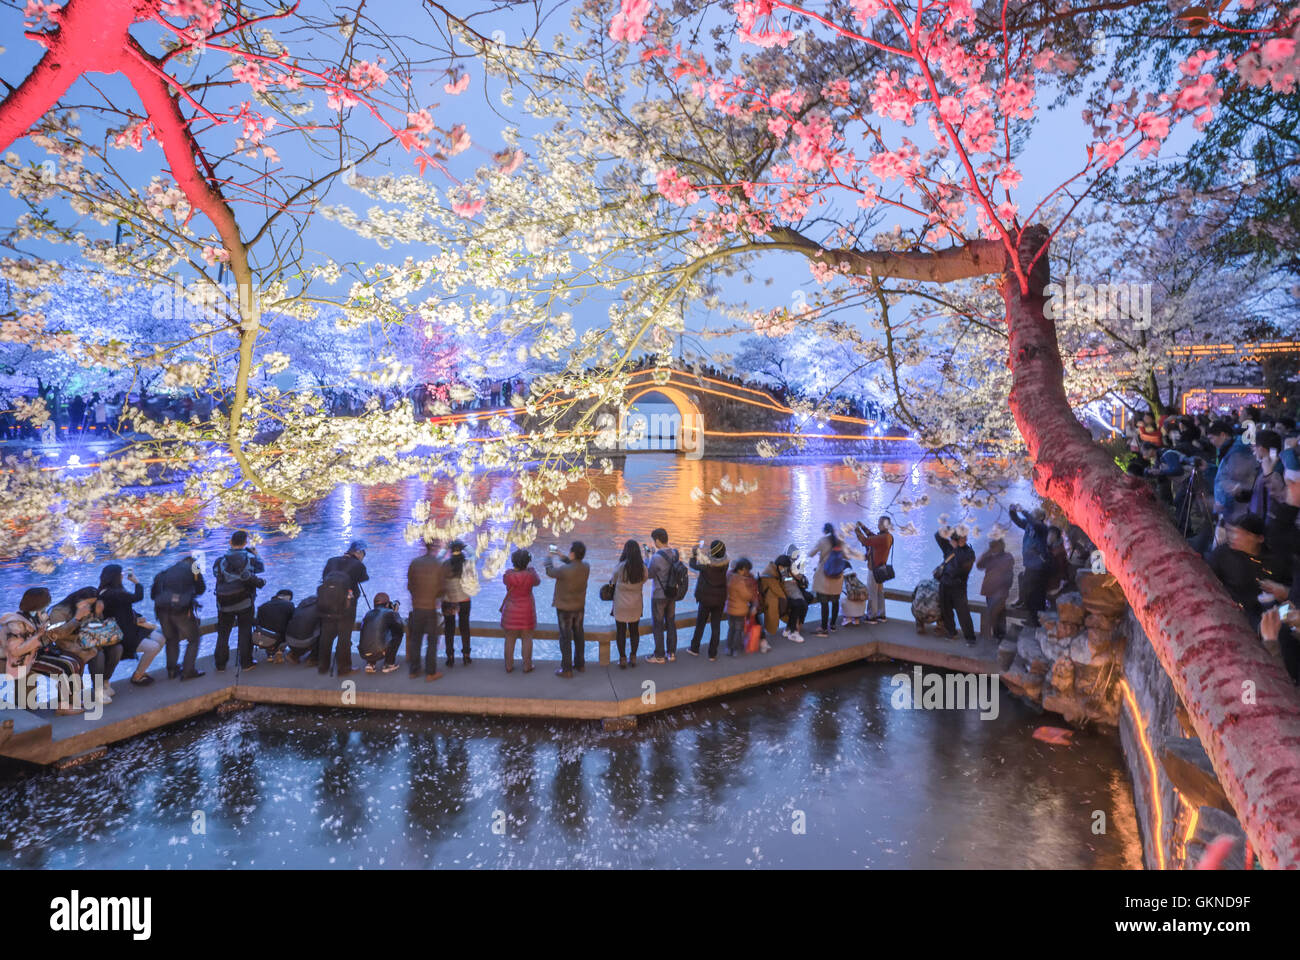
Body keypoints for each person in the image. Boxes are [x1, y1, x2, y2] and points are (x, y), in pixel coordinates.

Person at [2, 588, 89, 715]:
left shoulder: (38, 616)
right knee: (64, 668)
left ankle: (71, 699)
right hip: (24, 659)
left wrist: (47, 634)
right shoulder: (15, 622)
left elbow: (45, 638)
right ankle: (62, 706)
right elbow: (16, 651)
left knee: (76, 661)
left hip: (38, 652)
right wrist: (38, 637)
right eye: (46, 602)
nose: (48, 605)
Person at [97, 564, 163, 686]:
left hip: (131, 628)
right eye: (120, 573)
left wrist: (137, 617)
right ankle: (137, 676)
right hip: (123, 634)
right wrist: (136, 582)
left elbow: (124, 609)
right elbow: (138, 597)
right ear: (114, 576)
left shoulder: (111, 591)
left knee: (161, 638)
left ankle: (142, 671)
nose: (122, 575)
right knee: (153, 647)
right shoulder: (110, 594)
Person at [1207, 514, 1273, 629]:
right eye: (1234, 532)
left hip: (1263, 615)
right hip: (1230, 612)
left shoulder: (1271, 560)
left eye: (1244, 534)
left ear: (1260, 538)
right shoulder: (1222, 555)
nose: (1235, 537)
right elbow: (1207, 582)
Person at [213, 530, 266, 672]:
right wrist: (256, 554)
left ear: (231, 542)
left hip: (224, 602)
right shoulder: (250, 557)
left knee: (223, 633)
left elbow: (216, 575)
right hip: (245, 601)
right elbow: (261, 569)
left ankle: (220, 664)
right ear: (245, 543)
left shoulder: (220, 561)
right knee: (244, 631)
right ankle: (246, 662)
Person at [150, 551, 206, 680]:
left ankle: (172, 670)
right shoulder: (193, 568)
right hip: (180, 611)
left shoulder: (165, 572)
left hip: (161, 610)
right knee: (194, 639)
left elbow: (153, 595)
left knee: (171, 639)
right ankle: (188, 671)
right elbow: (201, 589)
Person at [320, 540, 369, 673]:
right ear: (358, 553)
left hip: (327, 602)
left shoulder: (331, 561)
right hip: (347, 605)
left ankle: (323, 666)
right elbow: (364, 578)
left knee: (327, 635)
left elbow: (324, 577)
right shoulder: (358, 565)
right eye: (363, 554)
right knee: (344, 637)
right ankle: (344, 668)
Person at [544, 540, 589, 677]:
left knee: (565, 637)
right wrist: (560, 554)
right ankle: (580, 664)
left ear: (573, 554)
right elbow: (572, 564)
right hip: (579, 606)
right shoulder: (586, 566)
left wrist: (549, 557)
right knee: (579, 635)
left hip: (564, 608)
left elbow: (550, 572)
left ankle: (567, 669)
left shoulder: (564, 570)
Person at [807, 522, 860, 637]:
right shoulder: (840, 542)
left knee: (824, 603)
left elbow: (811, 554)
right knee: (835, 601)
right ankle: (833, 625)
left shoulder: (822, 541)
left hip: (824, 577)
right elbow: (847, 557)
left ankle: (824, 628)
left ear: (825, 531)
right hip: (837, 577)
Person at [406, 539, 446, 682]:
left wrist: (415, 597)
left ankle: (414, 670)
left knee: (415, 640)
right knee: (432, 641)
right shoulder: (438, 565)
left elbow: (410, 584)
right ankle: (430, 672)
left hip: (417, 607)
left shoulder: (415, 563)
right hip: (430, 608)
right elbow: (442, 587)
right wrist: (437, 599)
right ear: (435, 548)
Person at [1208, 420, 1259, 524]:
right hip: (1231, 507)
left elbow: (1234, 481)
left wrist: (1223, 502)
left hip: (1235, 509)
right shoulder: (1230, 449)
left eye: (1211, 438)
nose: (1211, 442)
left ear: (1222, 435)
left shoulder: (1238, 451)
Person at [934, 526, 977, 645]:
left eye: (964, 537)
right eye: (961, 537)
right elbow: (937, 536)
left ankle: (970, 638)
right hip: (945, 583)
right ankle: (951, 632)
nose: (964, 538)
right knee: (946, 610)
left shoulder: (969, 552)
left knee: (963, 613)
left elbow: (963, 562)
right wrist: (948, 529)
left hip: (959, 586)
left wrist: (956, 548)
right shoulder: (948, 548)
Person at [608, 539, 647, 668]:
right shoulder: (642, 568)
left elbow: (612, 580)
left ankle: (622, 658)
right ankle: (633, 656)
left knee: (621, 631)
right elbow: (645, 579)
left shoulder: (620, 566)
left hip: (621, 604)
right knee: (634, 631)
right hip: (635, 604)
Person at [1009, 504, 1050, 626]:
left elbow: (1035, 523)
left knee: (1037, 594)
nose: (1031, 516)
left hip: (1038, 566)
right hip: (1029, 564)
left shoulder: (1042, 528)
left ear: (1041, 517)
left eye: (1034, 515)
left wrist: (1024, 511)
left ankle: (1036, 620)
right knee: (1028, 591)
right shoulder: (1029, 525)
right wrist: (1012, 512)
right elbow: (1017, 521)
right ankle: (1031, 617)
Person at [688, 539, 729, 660]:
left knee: (700, 624)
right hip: (720, 598)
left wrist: (695, 553)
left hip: (705, 598)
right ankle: (712, 654)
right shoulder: (726, 562)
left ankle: (694, 648)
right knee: (716, 626)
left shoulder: (706, 564)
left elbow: (692, 564)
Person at [501, 549, 540, 673]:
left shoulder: (508, 575)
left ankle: (508, 665)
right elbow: (538, 582)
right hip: (527, 612)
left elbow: (505, 582)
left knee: (509, 639)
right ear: (527, 562)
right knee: (527, 639)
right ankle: (527, 665)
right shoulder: (530, 576)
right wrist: (532, 570)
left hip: (510, 611)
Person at [646, 528, 681, 663]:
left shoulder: (655, 557)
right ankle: (671, 653)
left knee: (658, 625)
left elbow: (649, 574)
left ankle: (659, 655)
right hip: (672, 594)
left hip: (659, 595)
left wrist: (647, 557)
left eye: (654, 540)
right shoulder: (675, 553)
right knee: (671, 623)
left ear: (658, 540)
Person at [441, 541, 474, 667]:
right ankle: (466, 656)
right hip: (465, 600)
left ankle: (450, 657)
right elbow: (473, 553)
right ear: (462, 550)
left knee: (449, 629)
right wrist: (465, 545)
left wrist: (446, 547)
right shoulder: (468, 564)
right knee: (465, 628)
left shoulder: (444, 564)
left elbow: (439, 558)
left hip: (449, 601)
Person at [975, 536, 1015, 643]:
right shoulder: (989, 557)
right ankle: (997, 635)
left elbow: (1005, 569)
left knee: (996, 613)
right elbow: (979, 565)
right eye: (993, 545)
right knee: (997, 614)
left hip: (1001, 591)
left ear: (1001, 546)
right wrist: (987, 553)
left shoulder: (1008, 557)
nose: (994, 547)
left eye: (996, 545)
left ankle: (1000, 636)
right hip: (990, 591)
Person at [854, 517, 894, 623]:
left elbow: (865, 541)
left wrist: (856, 529)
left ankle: (872, 616)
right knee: (880, 593)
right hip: (881, 569)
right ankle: (881, 615)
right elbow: (873, 537)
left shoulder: (882, 538)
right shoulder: (888, 536)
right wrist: (863, 527)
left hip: (874, 569)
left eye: (879, 523)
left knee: (872, 593)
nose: (878, 525)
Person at [358, 593, 406, 674]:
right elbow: (399, 625)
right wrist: (395, 612)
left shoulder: (368, 613)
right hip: (379, 652)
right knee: (398, 634)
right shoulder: (389, 613)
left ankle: (370, 663)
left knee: (371, 635)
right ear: (387, 604)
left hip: (363, 652)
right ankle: (389, 664)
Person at [725, 557, 759, 655]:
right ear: (743, 569)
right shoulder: (740, 581)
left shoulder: (729, 576)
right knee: (738, 630)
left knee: (731, 628)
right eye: (747, 569)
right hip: (739, 610)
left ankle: (728, 648)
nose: (748, 572)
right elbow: (746, 596)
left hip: (729, 608)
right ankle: (735, 650)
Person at [253, 589, 296, 661]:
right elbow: (293, 622)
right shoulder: (289, 605)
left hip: (261, 638)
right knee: (289, 629)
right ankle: (280, 650)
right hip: (279, 638)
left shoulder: (262, 606)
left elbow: (258, 623)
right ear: (288, 597)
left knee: (269, 631)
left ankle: (270, 653)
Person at [776, 554, 808, 642]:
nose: (784, 569)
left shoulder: (782, 569)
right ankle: (793, 632)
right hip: (781, 597)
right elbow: (781, 580)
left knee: (802, 603)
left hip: (787, 594)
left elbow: (785, 578)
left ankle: (788, 629)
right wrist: (790, 579)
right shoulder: (777, 571)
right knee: (799, 605)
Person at [283, 596, 322, 664]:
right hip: (303, 642)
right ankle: (313, 658)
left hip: (288, 639)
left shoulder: (304, 603)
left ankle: (294, 654)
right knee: (328, 630)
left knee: (303, 627)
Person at [757, 557, 786, 641]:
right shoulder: (770, 576)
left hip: (766, 598)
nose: (785, 570)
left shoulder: (772, 570)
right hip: (768, 600)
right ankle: (771, 631)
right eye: (784, 568)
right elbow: (779, 592)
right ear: (780, 566)